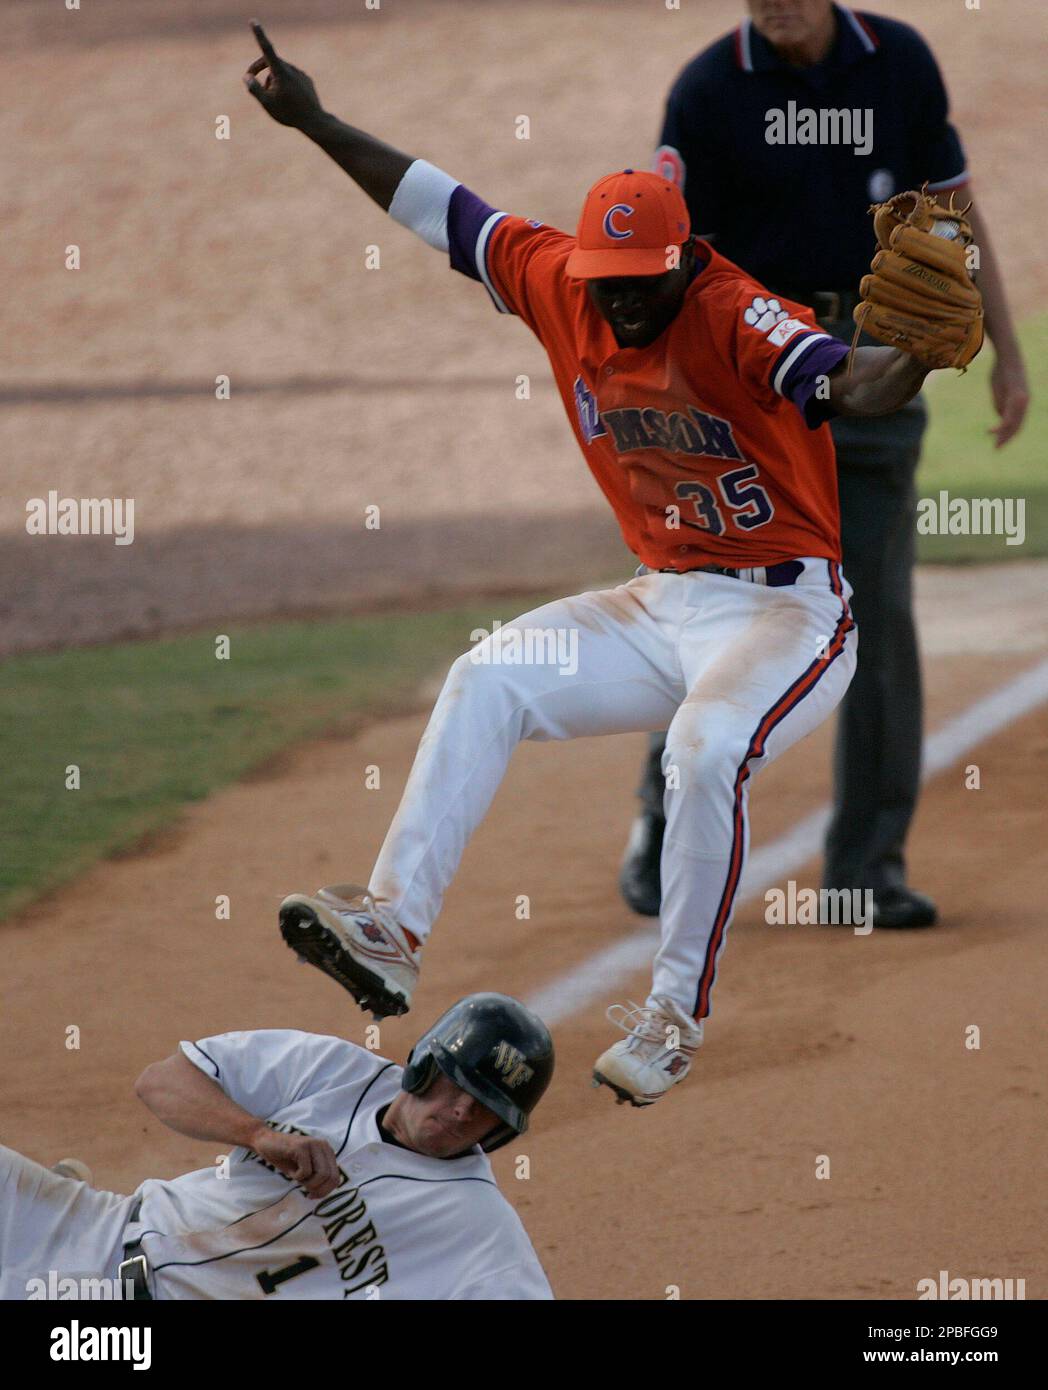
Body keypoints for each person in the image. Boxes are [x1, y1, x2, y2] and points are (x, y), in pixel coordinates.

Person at [241, 22, 957, 1109]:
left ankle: (674, 1011)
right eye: (605, 277)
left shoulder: (735, 310)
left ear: (684, 260)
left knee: (705, 748)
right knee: (488, 674)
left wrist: (909, 350)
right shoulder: (558, 281)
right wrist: (312, 118)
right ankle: (391, 926)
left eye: (640, 280)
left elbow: (850, 387)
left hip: (787, 618)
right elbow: (436, 200)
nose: (618, 298)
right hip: (657, 600)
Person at [619, 0, 1029, 927]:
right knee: (714, 610)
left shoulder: (901, 63)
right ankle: (661, 819)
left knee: (873, 616)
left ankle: (865, 870)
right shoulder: (710, 90)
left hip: (873, 362)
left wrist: (1006, 348)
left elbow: (956, 216)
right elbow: (662, 257)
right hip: (746, 377)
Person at [0, 993, 555, 1300]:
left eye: (485, 1109)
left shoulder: (481, 1232)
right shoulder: (333, 1070)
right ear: (427, 1066)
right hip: (92, 1225)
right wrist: (258, 1134)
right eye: (462, 1087)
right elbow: (161, 1082)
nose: (463, 1112)